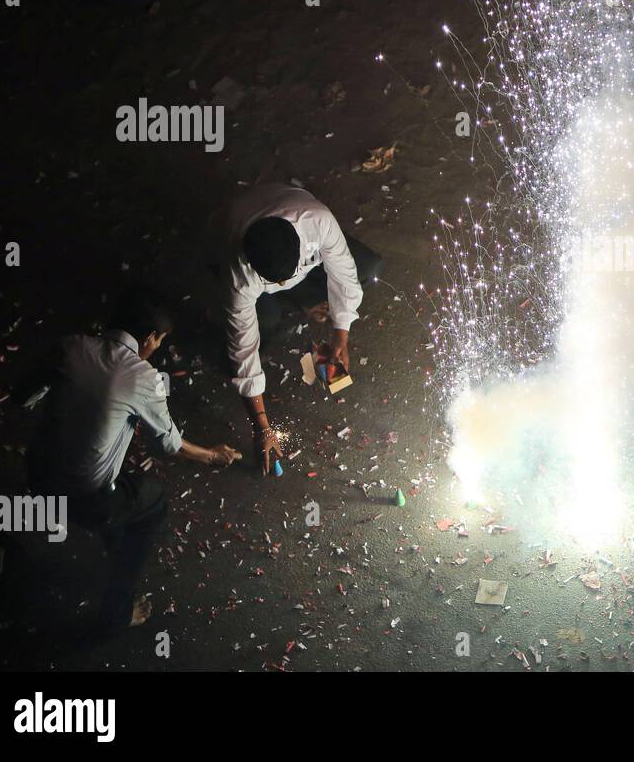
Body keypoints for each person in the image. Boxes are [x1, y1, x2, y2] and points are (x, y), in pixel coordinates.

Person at [25, 288, 241, 631]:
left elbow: (26, 396)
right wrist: (212, 455)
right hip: (84, 497)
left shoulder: (71, 346)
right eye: (159, 342)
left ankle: (108, 529)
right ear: (150, 337)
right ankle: (117, 612)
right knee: (150, 504)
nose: (156, 350)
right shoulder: (144, 377)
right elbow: (168, 445)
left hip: (36, 471)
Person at [216, 183, 383, 474]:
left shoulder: (318, 222)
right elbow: (243, 349)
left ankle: (300, 297)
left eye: (286, 279)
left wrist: (340, 333)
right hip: (241, 232)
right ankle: (288, 299)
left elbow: (344, 273)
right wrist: (262, 427)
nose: (282, 281)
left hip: (294, 237)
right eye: (276, 281)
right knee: (265, 321)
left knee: (368, 267)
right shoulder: (239, 275)